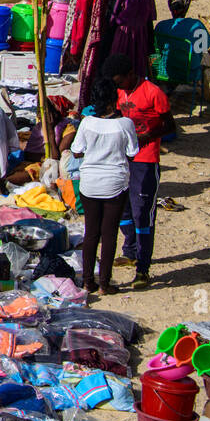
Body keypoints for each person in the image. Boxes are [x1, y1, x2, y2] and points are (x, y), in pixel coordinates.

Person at [105, 52, 176, 290]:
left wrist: (146, 137)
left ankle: (143, 269)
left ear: (130, 75)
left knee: (143, 213)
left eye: (120, 81)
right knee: (122, 207)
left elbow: (170, 125)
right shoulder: (117, 92)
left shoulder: (153, 92)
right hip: (121, 158)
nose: (118, 86)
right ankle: (131, 250)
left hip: (145, 160)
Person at [69, 77, 140, 295]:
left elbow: (76, 150)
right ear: (113, 100)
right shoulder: (125, 124)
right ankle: (105, 284)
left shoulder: (87, 122)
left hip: (89, 183)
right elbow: (132, 153)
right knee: (109, 234)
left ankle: (88, 282)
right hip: (115, 184)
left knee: (91, 233)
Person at [153, 0, 210, 89]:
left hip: (163, 72)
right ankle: (205, 90)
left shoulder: (160, 26)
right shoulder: (197, 25)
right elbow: (203, 49)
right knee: (207, 57)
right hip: (188, 74)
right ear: (186, 8)